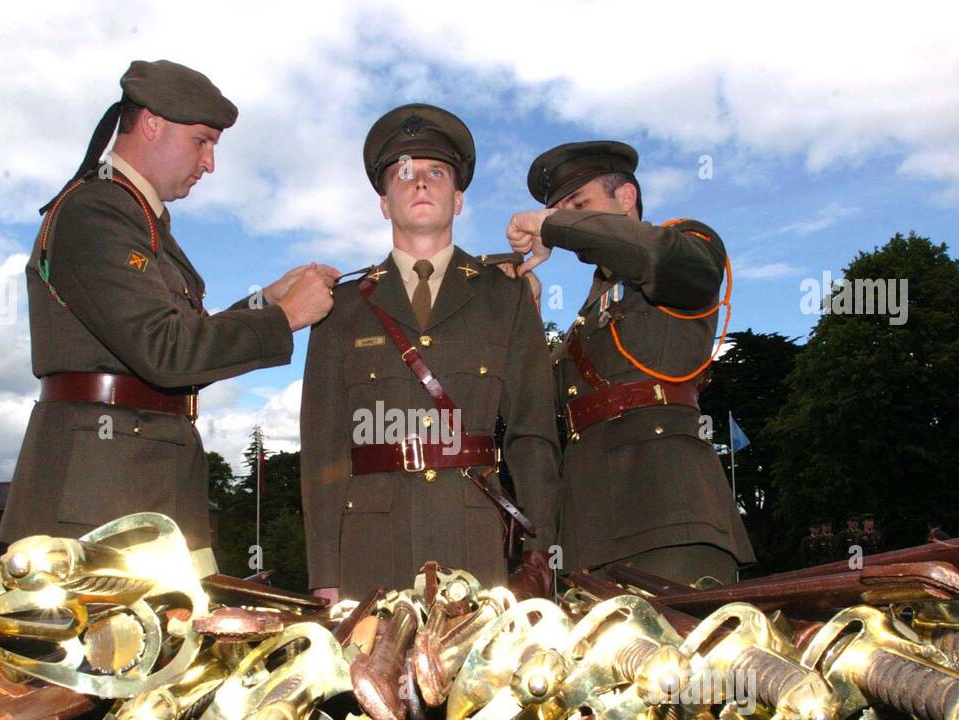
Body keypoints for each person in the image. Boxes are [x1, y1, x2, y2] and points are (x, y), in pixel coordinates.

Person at [1, 60, 337, 550]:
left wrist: (267, 301)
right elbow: (168, 352)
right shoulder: (96, 210)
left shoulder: (137, 218)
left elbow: (173, 341)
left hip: (133, 481)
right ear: (153, 123)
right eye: (202, 141)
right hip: (98, 498)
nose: (210, 164)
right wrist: (285, 318)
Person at [301, 104, 561, 603]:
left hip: (476, 539)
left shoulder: (505, 297)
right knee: (372, 679)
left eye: (435, 173)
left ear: (458, 200)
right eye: (404, 174)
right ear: (384, 203)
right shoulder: (342, 306)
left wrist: (539, 557)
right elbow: (323, 449)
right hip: (368, 548)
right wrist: (324, 573)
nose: (420, 184)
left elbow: (533, 436)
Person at [506, 141, 753, 586]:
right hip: (587, 531)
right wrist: (531, 317)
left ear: (626, 198)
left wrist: (555, 225)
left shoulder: (686, 246)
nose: (568, 218)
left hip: (667, 516)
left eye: (579, 205)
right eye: (560, 210)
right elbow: (545, 404)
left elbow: (657, 257)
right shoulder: (590, 310)